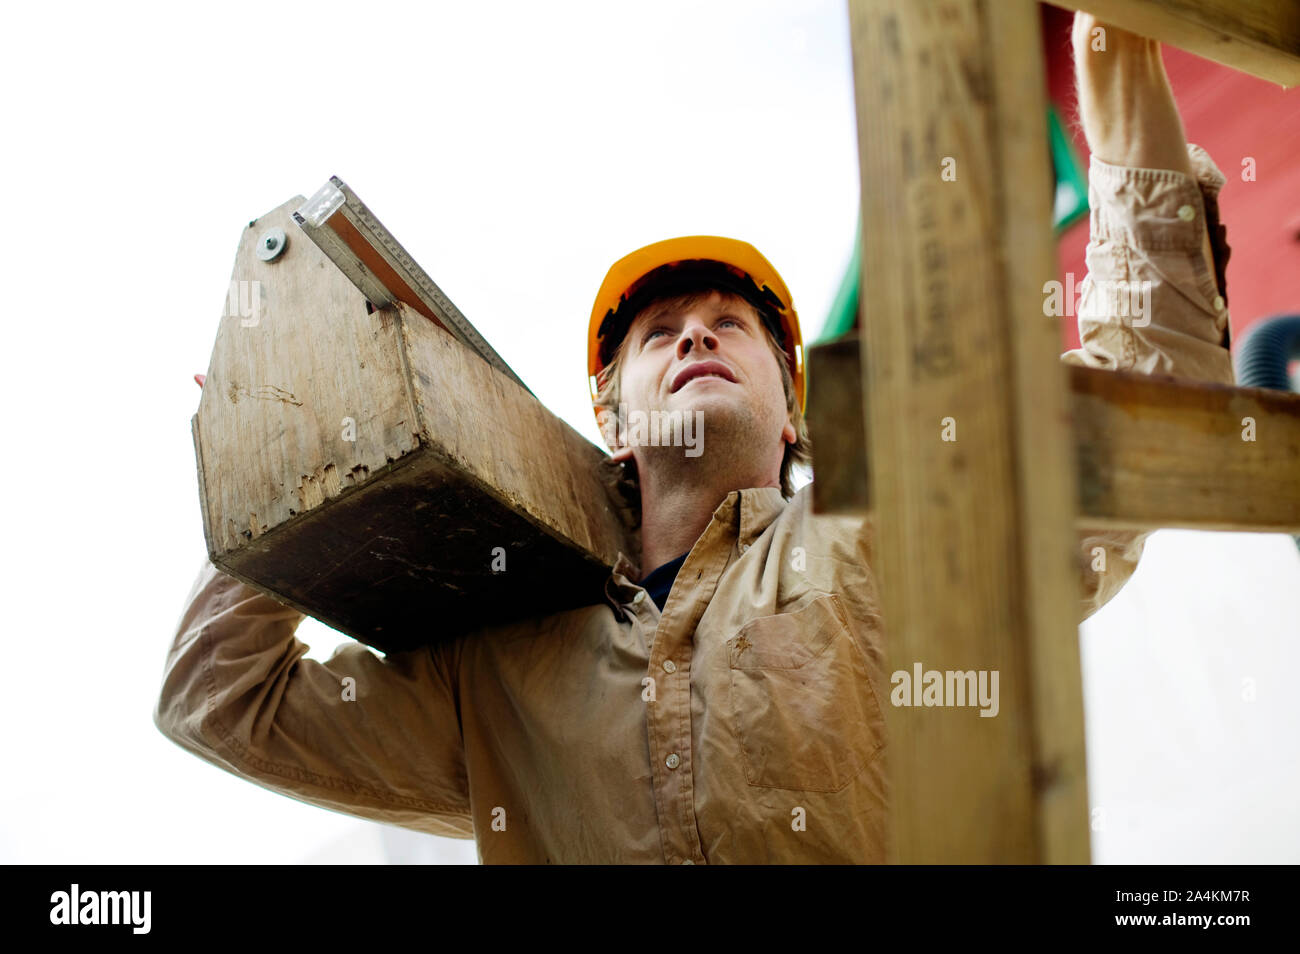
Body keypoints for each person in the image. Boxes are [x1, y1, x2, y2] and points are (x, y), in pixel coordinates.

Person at [153, 14, 1235, 863]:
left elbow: (1153, 380)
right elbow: (220, 702)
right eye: (659, 334)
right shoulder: (490, 675)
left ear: (795, 411)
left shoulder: (894, 536)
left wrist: (1107, 52)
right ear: (613, 422)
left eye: (732, 326)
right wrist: (287, 453)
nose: (696, 338)